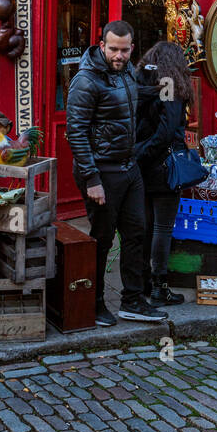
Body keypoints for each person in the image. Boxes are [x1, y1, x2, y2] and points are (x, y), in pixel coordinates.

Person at [65, 20, 168, 328]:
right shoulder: (86, 80)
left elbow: (131, 102)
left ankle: (133, 301)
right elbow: (76, 132)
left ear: (132, 48)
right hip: (101, 172)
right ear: (102, 46)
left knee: (137, 234)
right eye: (113, 49)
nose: (119, 55)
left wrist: (165, 88)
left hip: (128, 167)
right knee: (102, 239)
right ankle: (94, 303)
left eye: (124, 50)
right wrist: (91, 179)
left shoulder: (126, 73)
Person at [134, 40, 191, 306]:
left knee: (145, 226)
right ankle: (159, 287)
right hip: (163, 166)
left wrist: (138, 153)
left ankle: (143, 281)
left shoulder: (141, 80)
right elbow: (167, 131)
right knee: (162, 228)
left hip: (142, 165)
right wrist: (147, 151)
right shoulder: (170, 84)